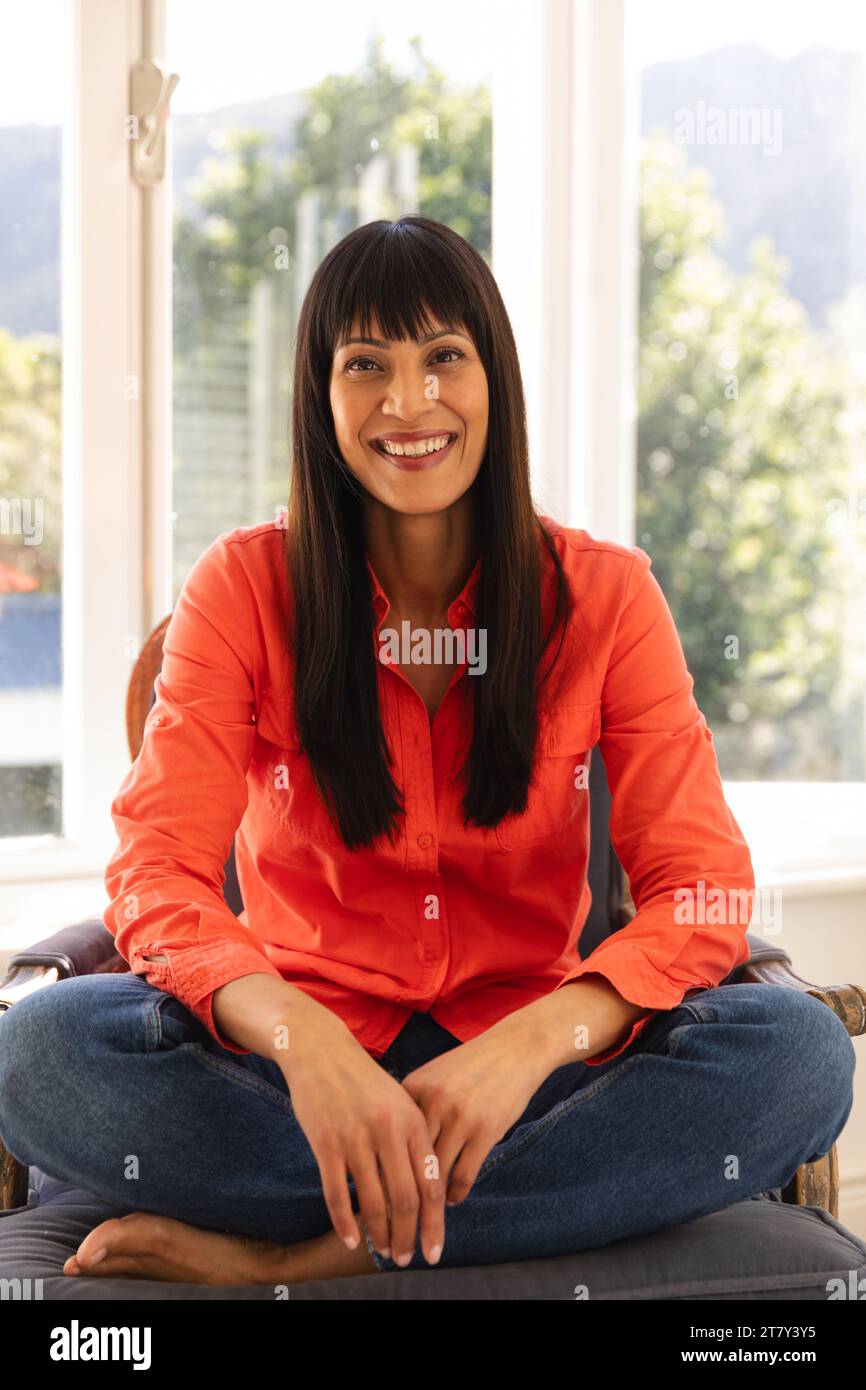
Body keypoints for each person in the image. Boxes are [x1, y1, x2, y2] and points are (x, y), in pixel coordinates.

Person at [0, 217, 855, 1286]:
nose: (409, 405)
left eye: (443, 357)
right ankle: (479, 1207)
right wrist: (303, 1043)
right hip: (287, 1087)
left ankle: (308, 1255)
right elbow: (157, 874)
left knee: (794, 1055)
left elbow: (700, 892)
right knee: (42, 1052)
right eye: (367, 366)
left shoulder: (605, 595)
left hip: (530, 1089)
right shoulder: (241, 586)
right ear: (322, 396)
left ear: (492, 378)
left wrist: (536, 1041)